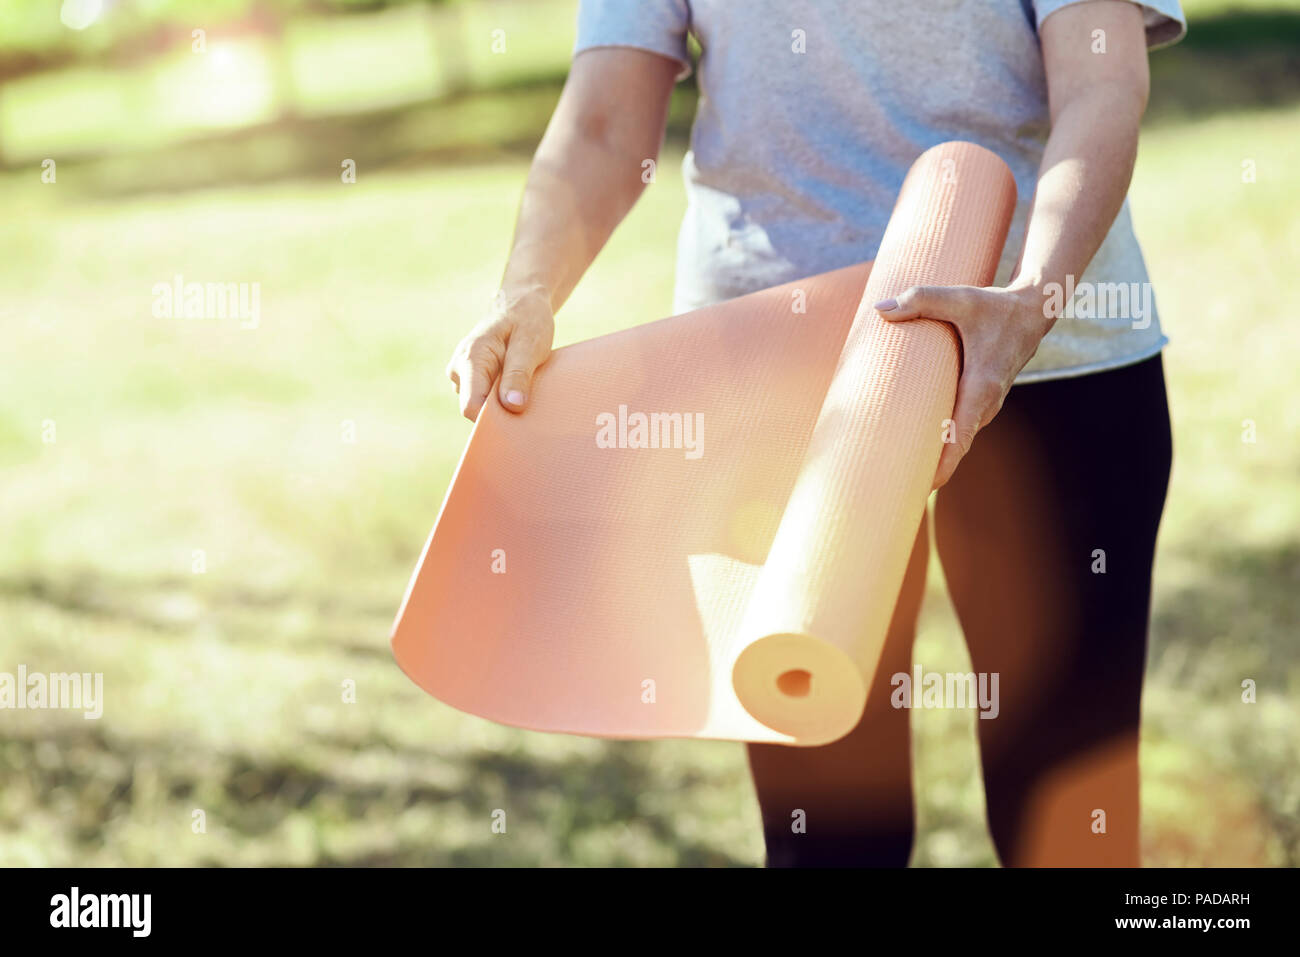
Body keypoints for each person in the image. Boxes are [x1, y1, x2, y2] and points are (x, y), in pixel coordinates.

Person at [446, 0, 1185, 867]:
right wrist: (526, 289)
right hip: (781, 372)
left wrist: (1033, 297)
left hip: (1047, 362)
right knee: (828, 837)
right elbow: (607, 120)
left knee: (1068, 827)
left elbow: (1101, 79)